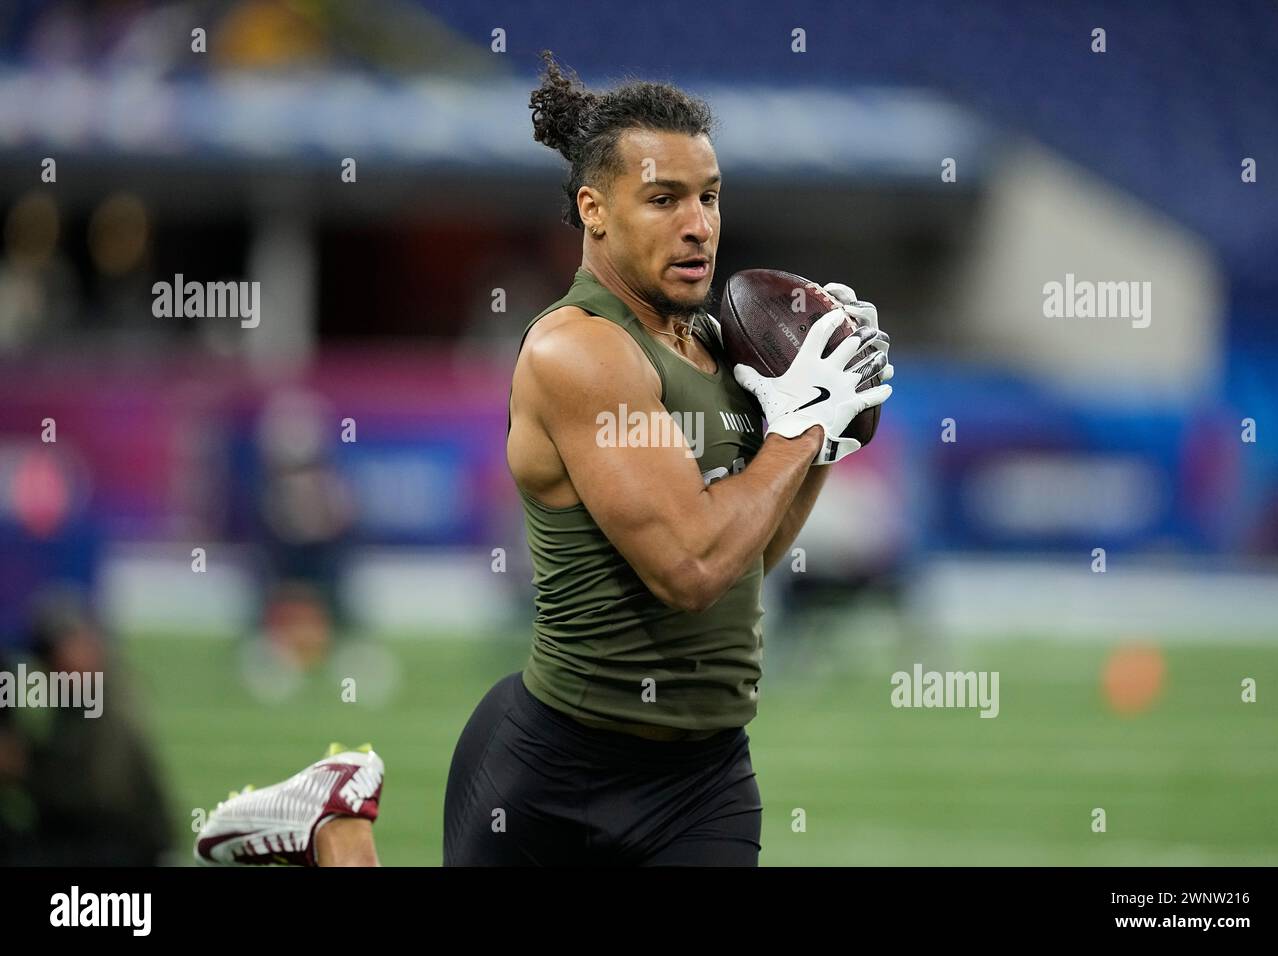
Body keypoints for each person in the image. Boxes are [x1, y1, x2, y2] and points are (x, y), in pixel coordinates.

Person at [194, 50, 892, 867]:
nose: (698, 223)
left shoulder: (708, 342)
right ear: (593, 209)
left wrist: (829, 432)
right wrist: (799, 433)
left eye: (709, 197)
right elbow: (690, 571)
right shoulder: (578, 352)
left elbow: (747, 557)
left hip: (706, 773)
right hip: (563, 767)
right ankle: (336, 830)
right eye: (663, 199)